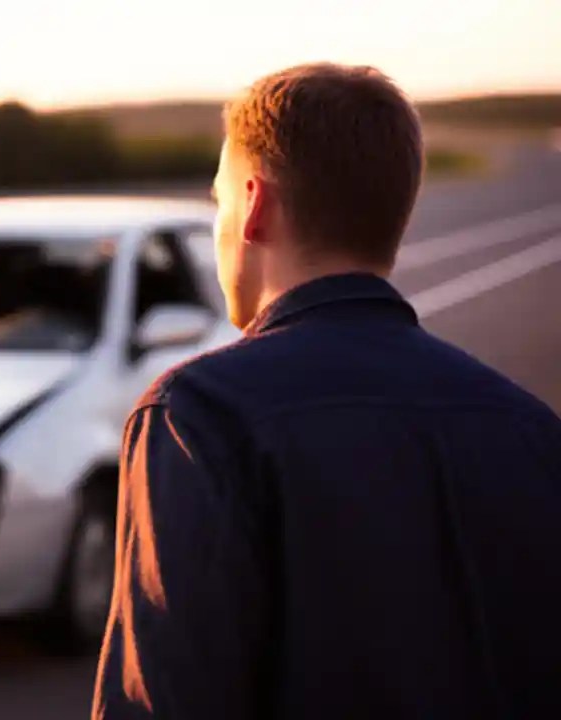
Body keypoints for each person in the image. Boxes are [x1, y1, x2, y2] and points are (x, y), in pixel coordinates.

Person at [93, 63, 561, 719]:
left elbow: (168, 700)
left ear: (253, 206)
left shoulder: (200, 414)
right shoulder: (531, 429)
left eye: (219, 201)